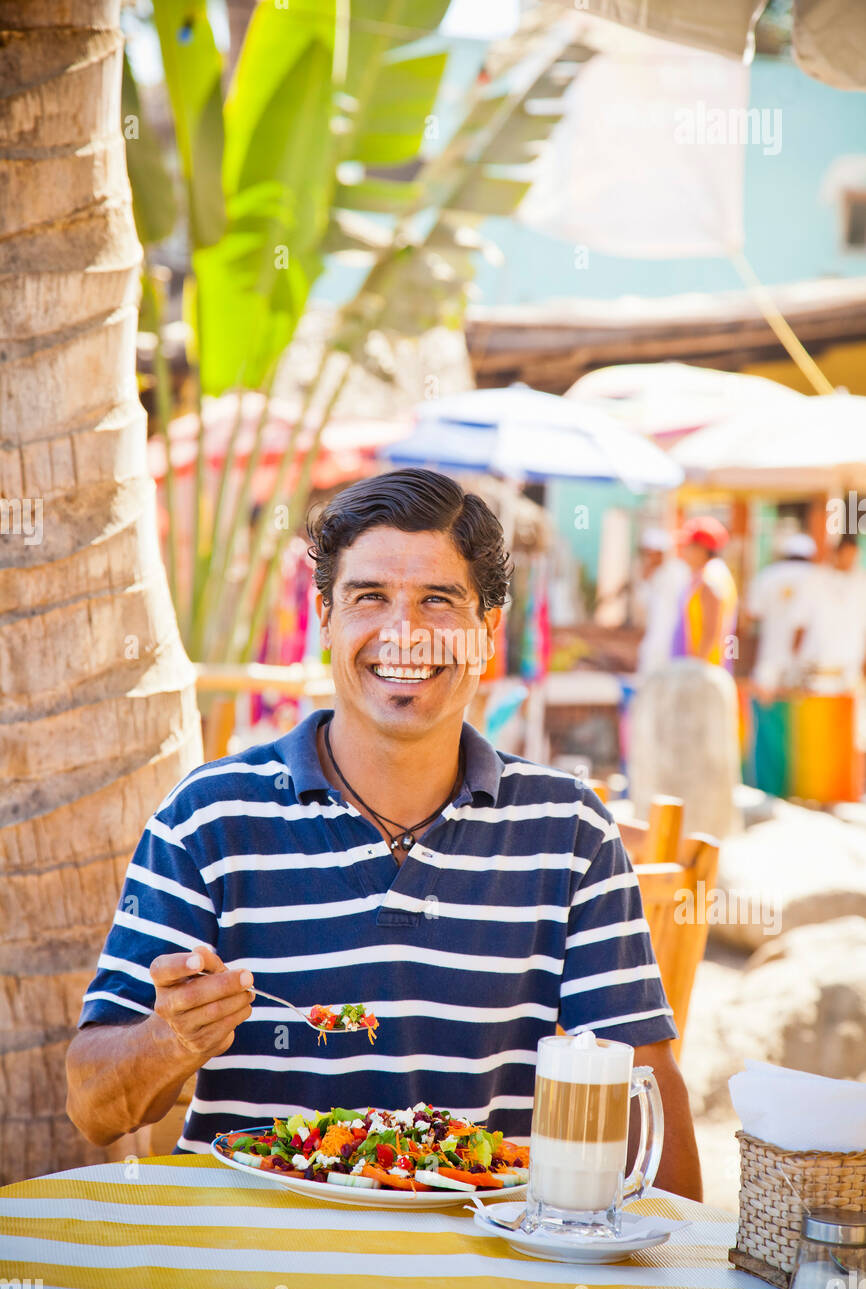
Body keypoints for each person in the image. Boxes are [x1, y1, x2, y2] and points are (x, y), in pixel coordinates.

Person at [66, 469, 702, 1199]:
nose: (403, 632)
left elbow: (642, 1087)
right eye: (370, 597)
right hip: (250, 1257)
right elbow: (94, 1109)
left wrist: (680, 1268)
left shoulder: (568, 832)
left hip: (483, 1265)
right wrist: (168, 1039)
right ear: (326, 620)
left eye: (439, 600)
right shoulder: (208, 819)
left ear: (487, 632)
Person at [743, 532, 818, 700]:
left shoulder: (767, 575)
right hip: (806, 658)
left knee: (767, 706)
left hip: (771, 653)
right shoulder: (817, 577)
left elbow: (752, 614)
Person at [794, 535, 866, 694]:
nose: (850, 561)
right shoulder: (814, 580)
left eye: (853, 556)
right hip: (817, 672)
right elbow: (799, 625)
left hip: (850, 674)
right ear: (836, 553)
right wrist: (796, 666)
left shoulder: (861, 582)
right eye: (846, 555)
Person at [671, 516, 738, 670]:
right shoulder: (708, 575)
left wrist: (696, 669)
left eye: (688, 546)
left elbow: (711, 633)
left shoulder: (710, 581)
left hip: (705, 670)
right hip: (701, 667)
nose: (683, 552)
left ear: (702, 548)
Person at [634, 526, 689, 675]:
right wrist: (645, 579)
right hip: (655, 636)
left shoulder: (678, 571)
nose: (649, 557)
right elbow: (643, 604)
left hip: (673, 637)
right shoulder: (653, 573)